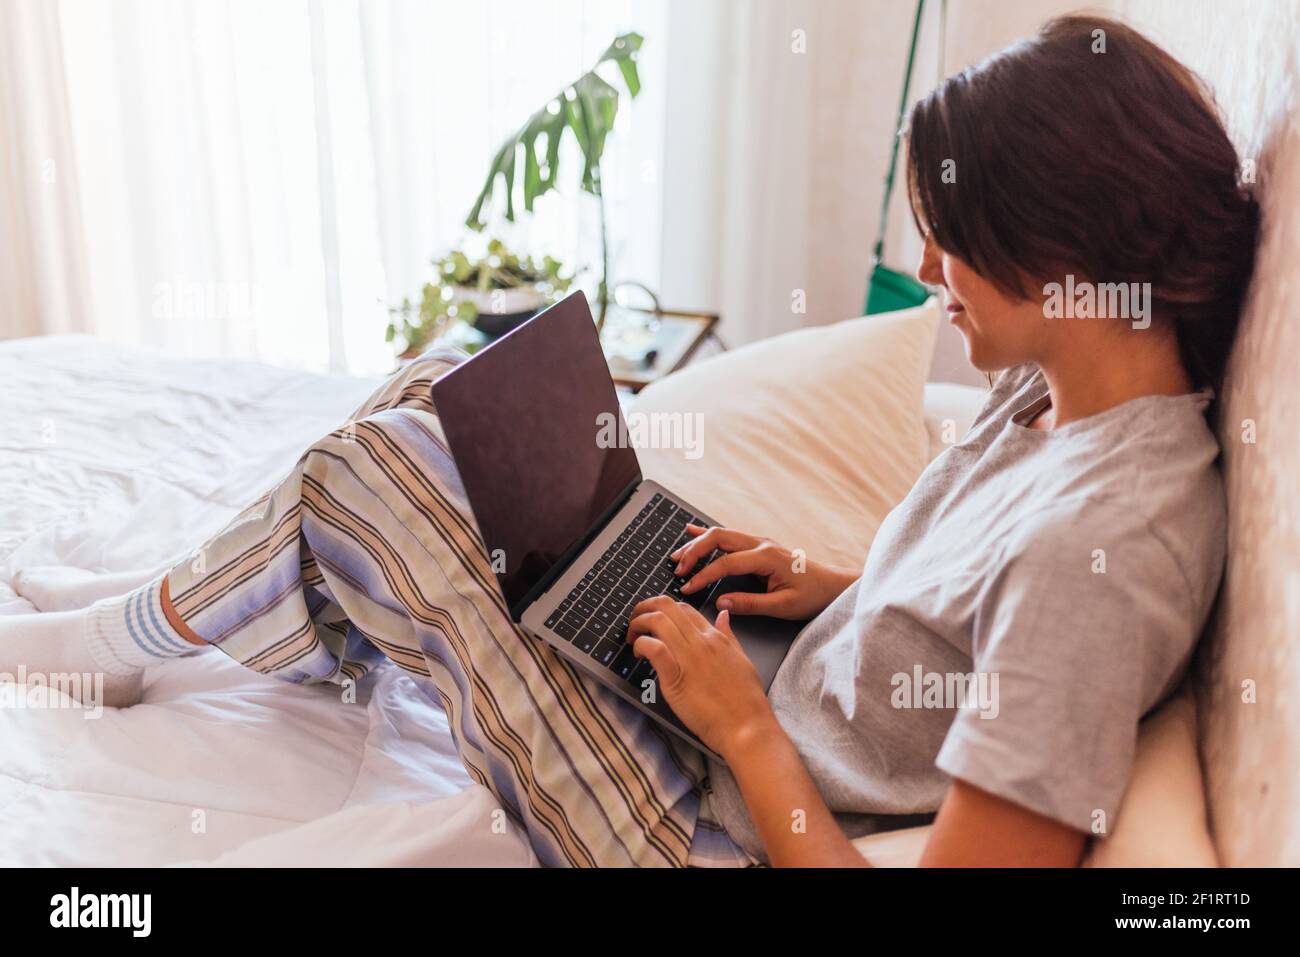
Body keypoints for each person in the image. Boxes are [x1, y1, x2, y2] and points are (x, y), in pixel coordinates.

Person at [0, 15, 1258, 866]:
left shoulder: (1107, 546)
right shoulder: (1059, 395)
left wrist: (747, 731)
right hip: (739, 698)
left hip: (706, 819)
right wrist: (826, 588)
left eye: (952, 237)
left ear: (1061, 250)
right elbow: (975, 616)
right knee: (446, 391)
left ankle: (117, 637)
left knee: (367, 476)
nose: (927, 269)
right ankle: (156, 616)